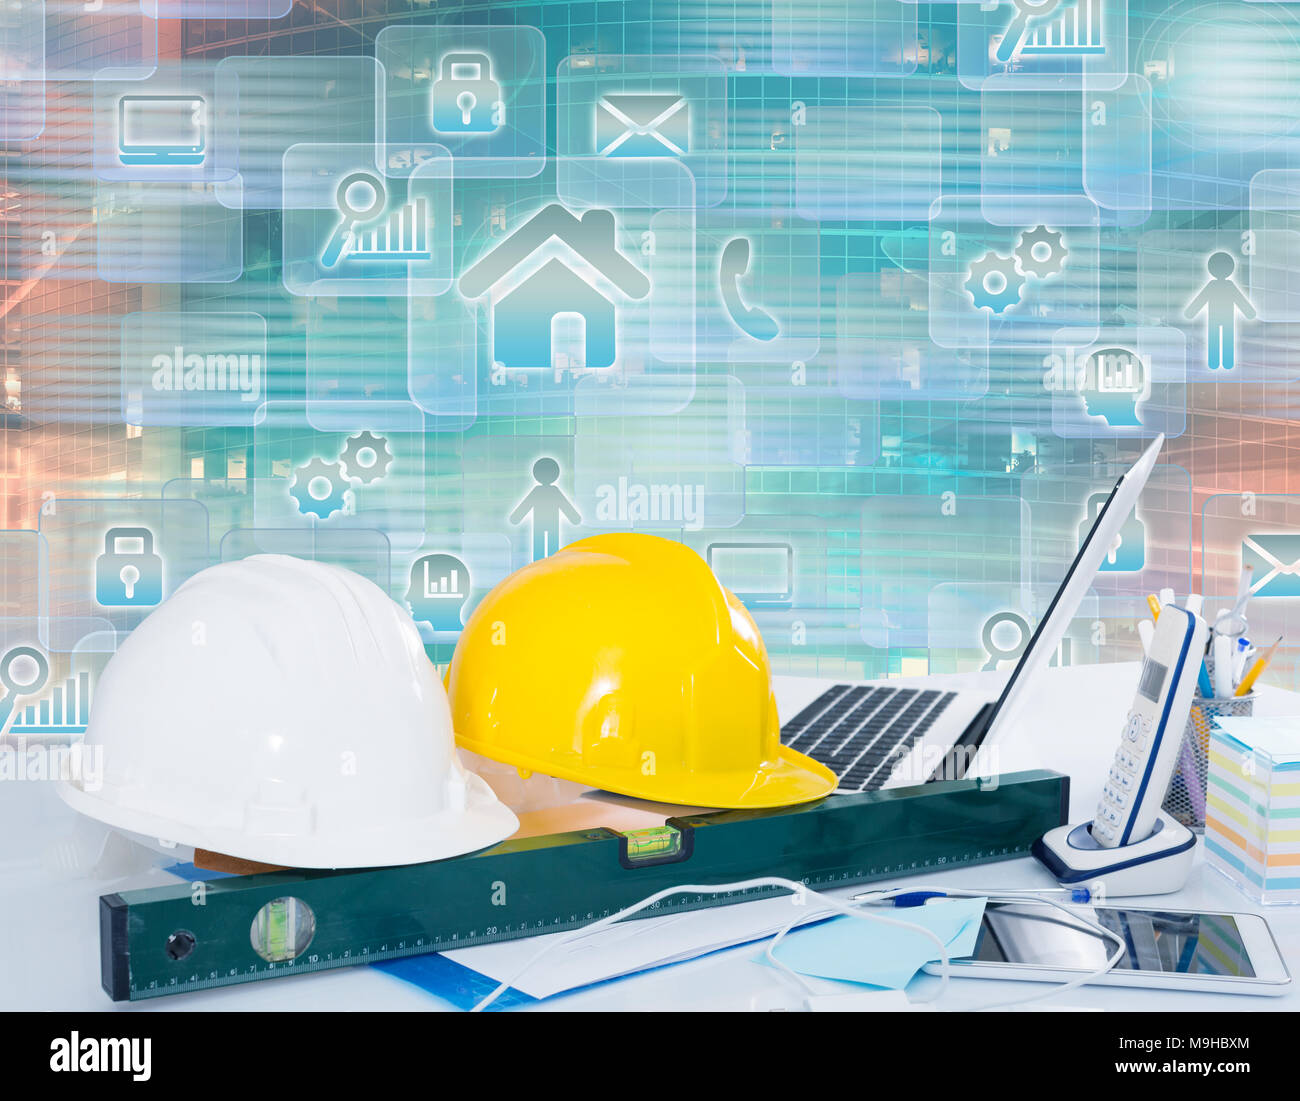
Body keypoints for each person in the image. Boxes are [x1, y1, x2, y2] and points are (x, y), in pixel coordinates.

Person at [1184, 251, 1256, 370]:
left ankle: (1216, 362)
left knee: (1217, 339)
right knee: (1222, 339)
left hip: (1218, 318)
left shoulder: (1217, 285)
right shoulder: (1225, 285)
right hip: (1223, 318)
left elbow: (1201, 299)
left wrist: (1191, 312)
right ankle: (1224, 362)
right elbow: (1240, 300)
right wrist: (1249, 313)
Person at [509, 457, 581, 561]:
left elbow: (525, 506)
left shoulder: (539, 491)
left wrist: (516, 518)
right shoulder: (552, 491)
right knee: (548, 547)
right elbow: (565, 506)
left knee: (542, 548)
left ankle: (542, 566)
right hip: (549, 524)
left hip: (542, 524)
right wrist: (574, 518)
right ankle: (547, 566)